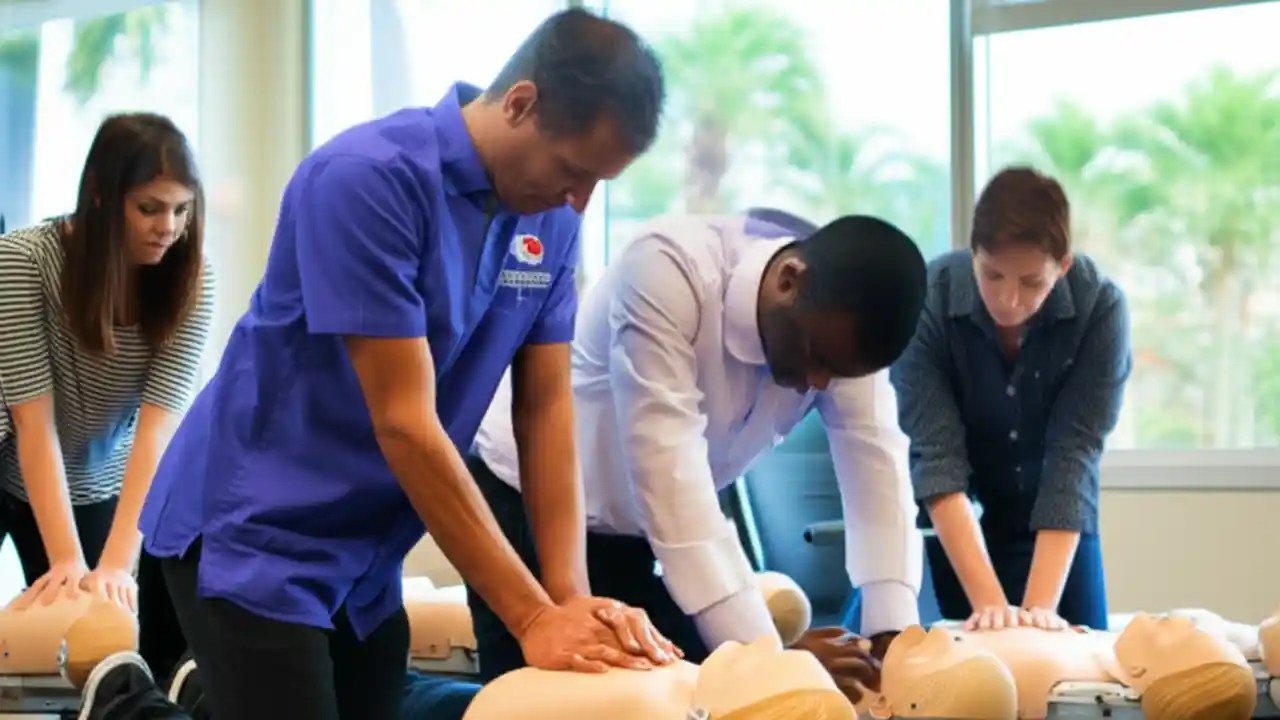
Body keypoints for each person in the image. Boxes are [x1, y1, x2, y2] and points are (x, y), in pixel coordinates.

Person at [136, 8, 672, 720]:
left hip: (365, 554)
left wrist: (570, 595)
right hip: (255, 532)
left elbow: (544, 409)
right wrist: (534, 619)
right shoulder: (366, 179)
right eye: (573, 171)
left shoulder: (552, 220)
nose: (580, 201)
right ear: (521, 103)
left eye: (600, 182)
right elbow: (405, 423)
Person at [468, 208, 929, 699]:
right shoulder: (669, 270)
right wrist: (770, 659)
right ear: (789, 281)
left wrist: (893, 637)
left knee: (687, 697)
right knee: (535, 706)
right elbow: (671, 479)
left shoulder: (842, 328)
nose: (818, 383)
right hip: (526, 506)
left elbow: (876, 460)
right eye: (815, 357)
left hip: (642, 536)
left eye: (835, 373)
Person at [0, 113, 213, 682]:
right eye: (149, 208)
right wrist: (67, 559)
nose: (168, 227)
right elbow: (31, 421)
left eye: (181, 209)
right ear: (99, 197)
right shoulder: (21, 260)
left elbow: (156, 430)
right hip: (10, 456)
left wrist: (116, 566)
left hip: (99, 475)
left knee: (101, 637)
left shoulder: (192, 280)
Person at [889, 166, 1132, 633]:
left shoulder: (1101, 308)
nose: (1009, 300)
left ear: (1062, 267)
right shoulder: (928, 301)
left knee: (1080, 675)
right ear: (972, 252)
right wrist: (994, 611)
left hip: (1058, 519)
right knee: (953, 679)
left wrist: (1037, 618)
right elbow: (937, 458)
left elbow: (1074, 454)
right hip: (954, 522)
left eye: (1031, 283)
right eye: (992, 274)